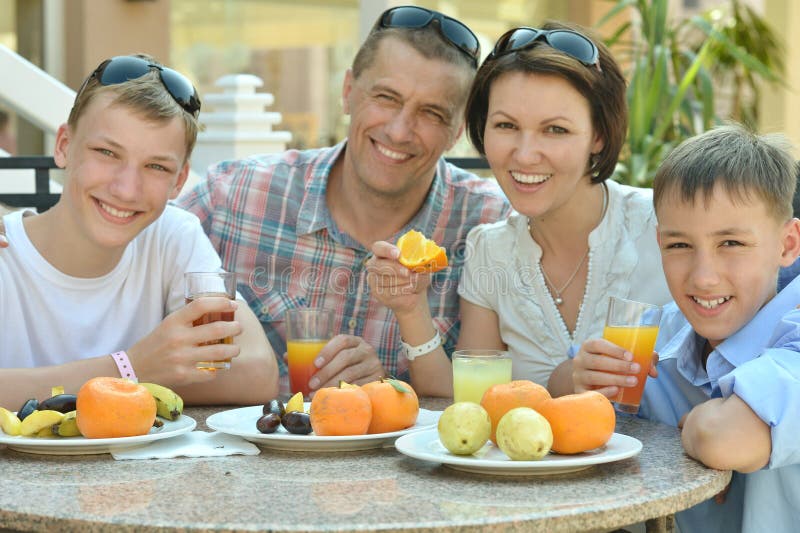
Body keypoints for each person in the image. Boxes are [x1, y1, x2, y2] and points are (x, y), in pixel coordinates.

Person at [174, 6, 511, 395]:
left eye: (432, 113)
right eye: (386, 97)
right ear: (349, 91)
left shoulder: (491, 225)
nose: (400, 131)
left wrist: (386, 385)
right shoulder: (234, 196)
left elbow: (503, 393)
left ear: (456, 133)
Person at [367, 22, 671, 396]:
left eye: (555, 130)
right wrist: (411, 309)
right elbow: (465, 394)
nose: (524, 155)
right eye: (506, 125)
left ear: (599, 135)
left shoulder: (666, 226)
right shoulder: (490, 250)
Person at [555, 124, 800, 531]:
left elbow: (723, 438)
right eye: (680, 245)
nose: (703, 277)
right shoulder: (659, 330)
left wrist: (692, 436)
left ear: (788, 245)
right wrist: (580, 376)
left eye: (731, 244)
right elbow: (560, 391)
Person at [0, 55, 278, 408]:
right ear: (64, 146)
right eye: (107, 152)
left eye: (156, 166)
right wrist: (132, 368)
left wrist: (135, 373)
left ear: (179, 180)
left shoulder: (171, 236)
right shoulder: (5, 253)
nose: (127, 189)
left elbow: (256, 373)